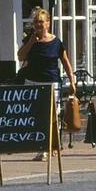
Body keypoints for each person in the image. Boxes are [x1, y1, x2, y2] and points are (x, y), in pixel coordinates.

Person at [17, 8, 77, 159]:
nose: (38, 25)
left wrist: (72, 80)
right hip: (32, 81)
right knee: (35, 116)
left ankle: (52, 145)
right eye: (36, 22)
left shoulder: (56, 42)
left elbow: (65, 61)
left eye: (41, 22)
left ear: (48, 24)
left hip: (51, 82)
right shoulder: (30, 40)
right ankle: (41, 148)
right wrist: (31, 42)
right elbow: (20, 56)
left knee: (52, 116)